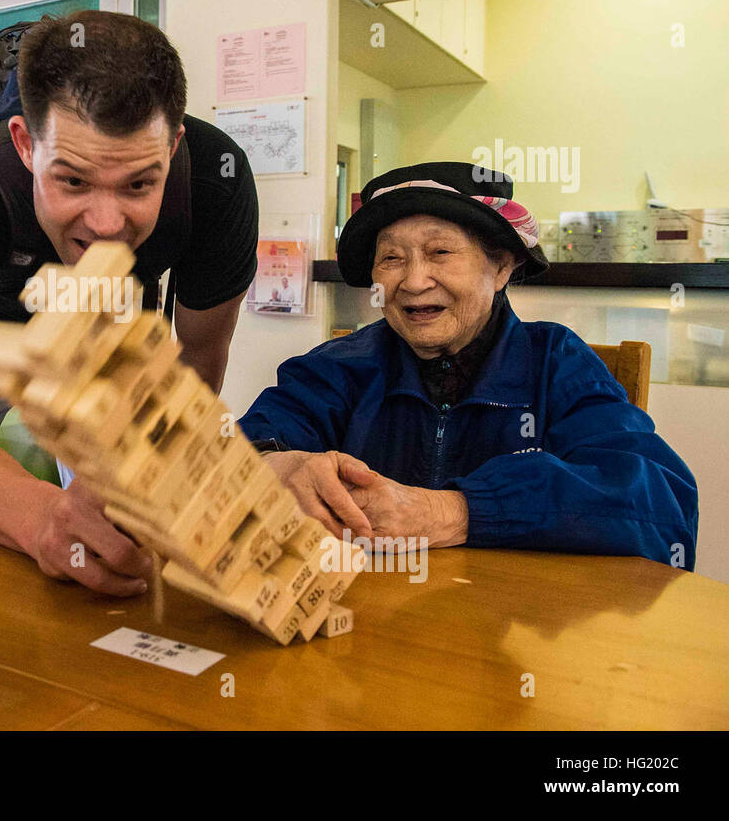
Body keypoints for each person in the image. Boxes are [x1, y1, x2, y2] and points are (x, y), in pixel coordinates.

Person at [0, 10, 258, 596]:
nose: (106, 225)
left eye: (138, 185)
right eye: (73, 181)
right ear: (26, 144)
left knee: (128, 530)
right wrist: (39, 519)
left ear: (174, 144)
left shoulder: (216, 182)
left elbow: (197, 361)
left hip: (104, 326)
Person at [240, 162, 697, 567]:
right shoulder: (339, 367)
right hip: (370, 632)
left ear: (501, 268)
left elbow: (663, 504)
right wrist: (275, 467)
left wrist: (451, 511)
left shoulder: (556, 364)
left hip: (517, 636)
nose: (414, 281)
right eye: (392, 258)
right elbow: (232, 456)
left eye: (440, 252)